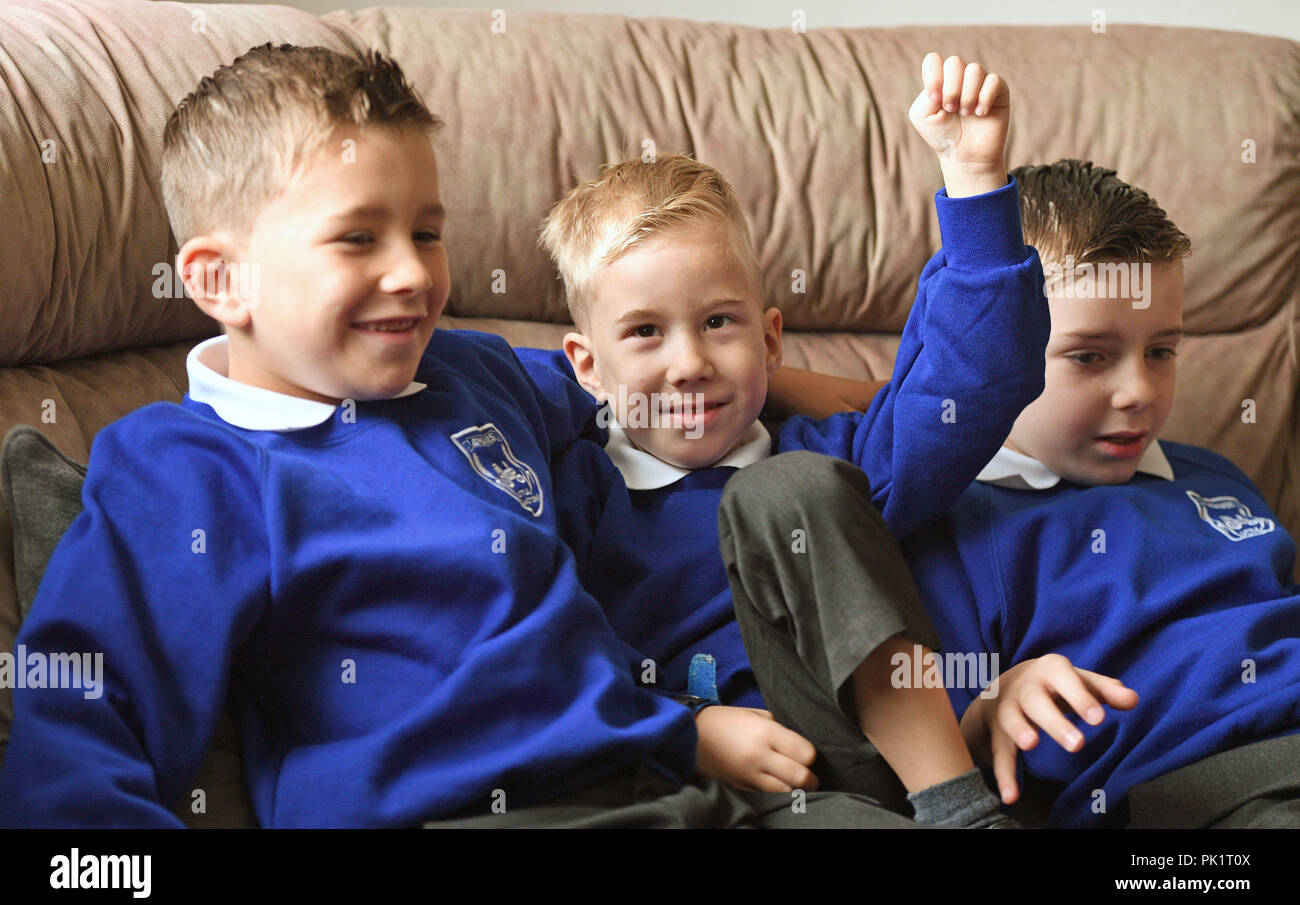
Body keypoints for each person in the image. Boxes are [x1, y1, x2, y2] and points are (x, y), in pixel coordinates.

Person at [0, 44, 913, 829]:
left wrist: (862, 396)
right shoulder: (185, 471)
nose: (413, 273)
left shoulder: (470, 372)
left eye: (428, 232)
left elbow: (662, 391)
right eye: (358, 239)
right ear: (222, 281)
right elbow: (83, 727)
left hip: (674, 774)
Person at [517, 53, 1048, 826]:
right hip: (689, 776)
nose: (690, 364)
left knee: (785, 487)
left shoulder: (842, 459)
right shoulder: (576, 490)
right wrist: (684, 728)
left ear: (771, 341)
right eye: (644, 333)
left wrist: (972, 181)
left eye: (718, 322)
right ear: (587, 366)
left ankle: (961, 811)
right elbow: (544, 654)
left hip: (859, 767)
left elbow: (972, 385)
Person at [731, 159, 1300, 829]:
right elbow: (941, 744)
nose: (1139, 392)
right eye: (1089, 356)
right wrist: (996, 701)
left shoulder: (1215, 475)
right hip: (1208, 790)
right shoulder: (952, 522)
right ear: (1007, 353)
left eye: (1162, 351)